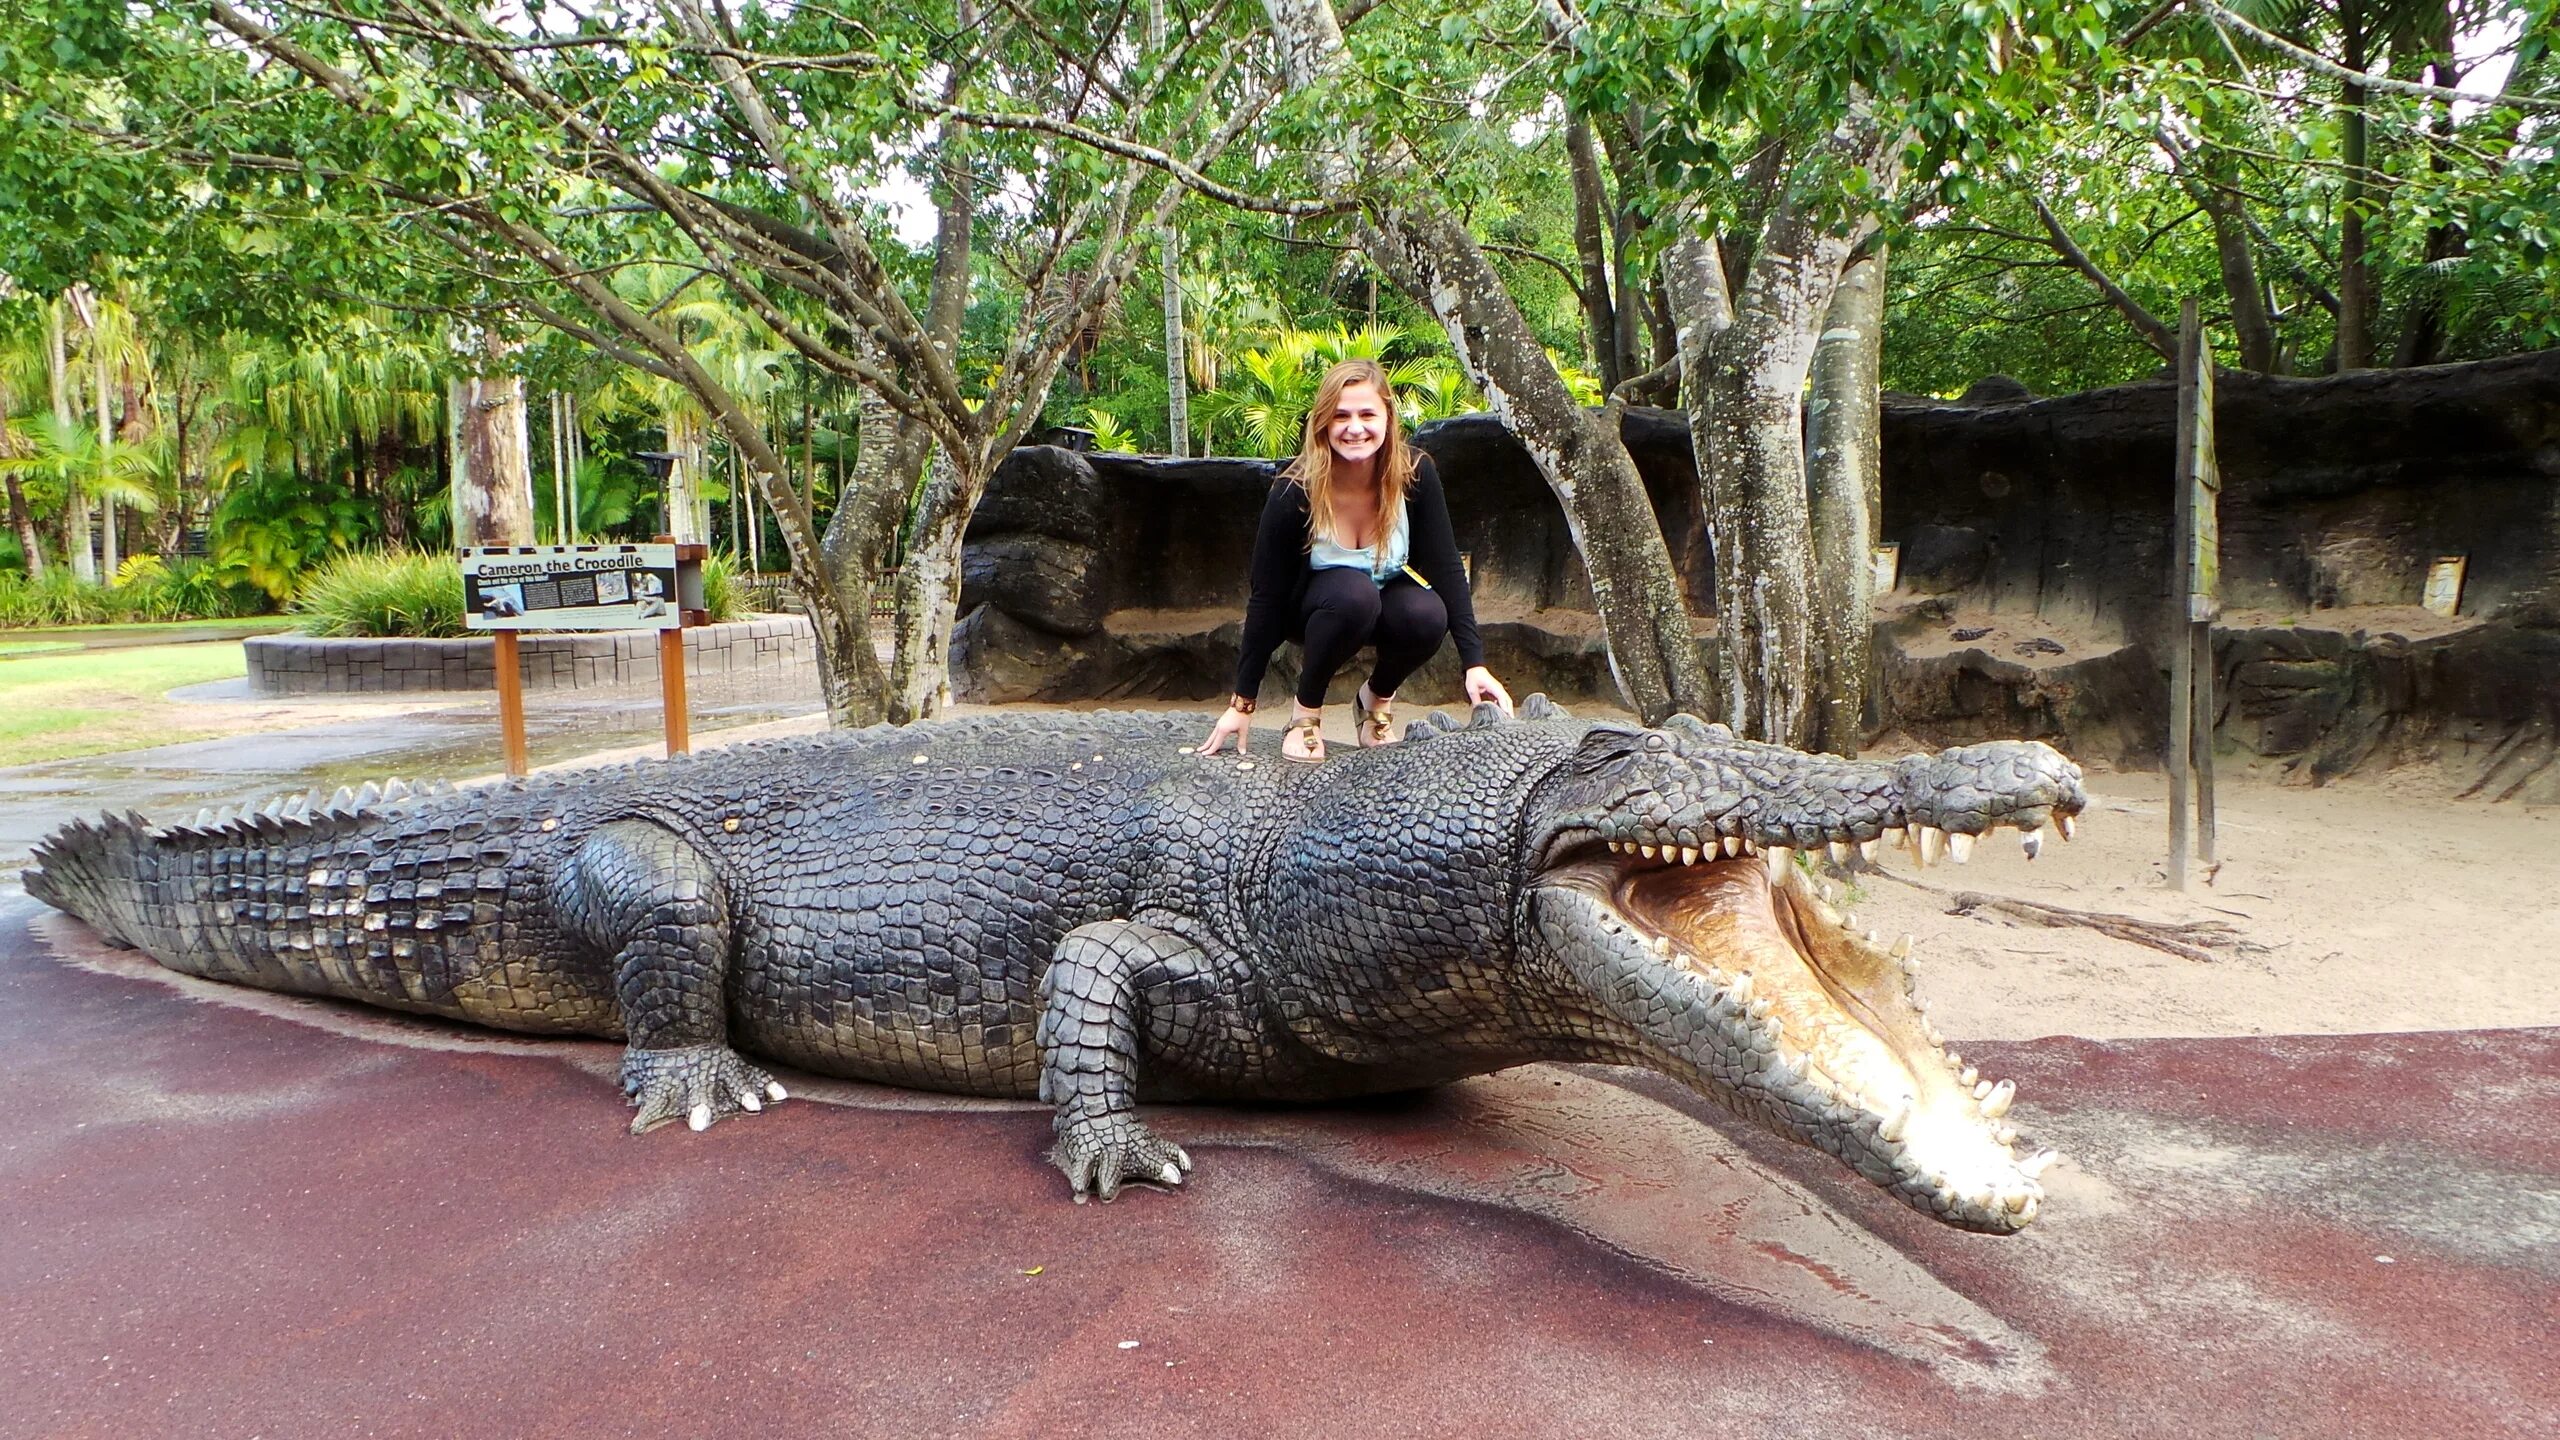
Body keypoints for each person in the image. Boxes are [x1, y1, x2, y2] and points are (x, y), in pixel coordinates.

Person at [1196, 359, 1513, 763]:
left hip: (1381, 595)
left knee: (1428, 613)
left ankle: (1374, 702)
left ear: (1388, 418)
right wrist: (1242, 704)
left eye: (1367, 414)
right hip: (1316, 608)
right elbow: (1267, 598)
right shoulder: (1294, 490)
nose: (1355, 427)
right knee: (1355, 596)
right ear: (1323, 423)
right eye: (1341, 415)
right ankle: (1305, 714)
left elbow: (1446, 566)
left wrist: (1475, 663)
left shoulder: (1415, 474)